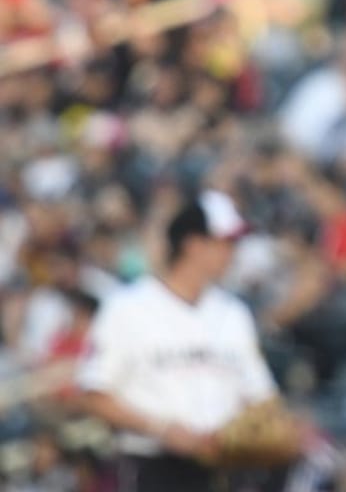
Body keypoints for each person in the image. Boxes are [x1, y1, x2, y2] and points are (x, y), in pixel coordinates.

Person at [76, 190, 286, 491]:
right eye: (225, 242)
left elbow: (262, 395)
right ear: (193, 244)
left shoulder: (233, 313)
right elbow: (94, 394)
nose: (233, 253)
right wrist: (162, 429)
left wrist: (251, 429)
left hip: (224, 469)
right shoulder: (127, 308)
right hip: (152, 466)